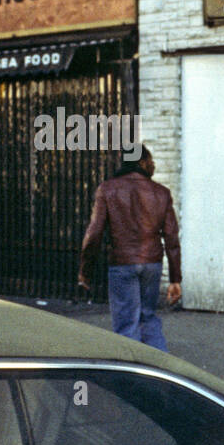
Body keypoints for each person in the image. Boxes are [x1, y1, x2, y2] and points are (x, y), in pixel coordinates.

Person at [78, 144, 182, 352]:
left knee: (127, 325)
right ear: (142, 163)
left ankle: (132, 378)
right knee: (148, 319)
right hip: (151, 264)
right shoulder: (161, 193)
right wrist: (175, 279)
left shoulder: (108, 189)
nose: (153, 166)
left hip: (122, 265)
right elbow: (171, 238)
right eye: (151, 162)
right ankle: (161, 372)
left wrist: (85, 272)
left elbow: (94, 234)